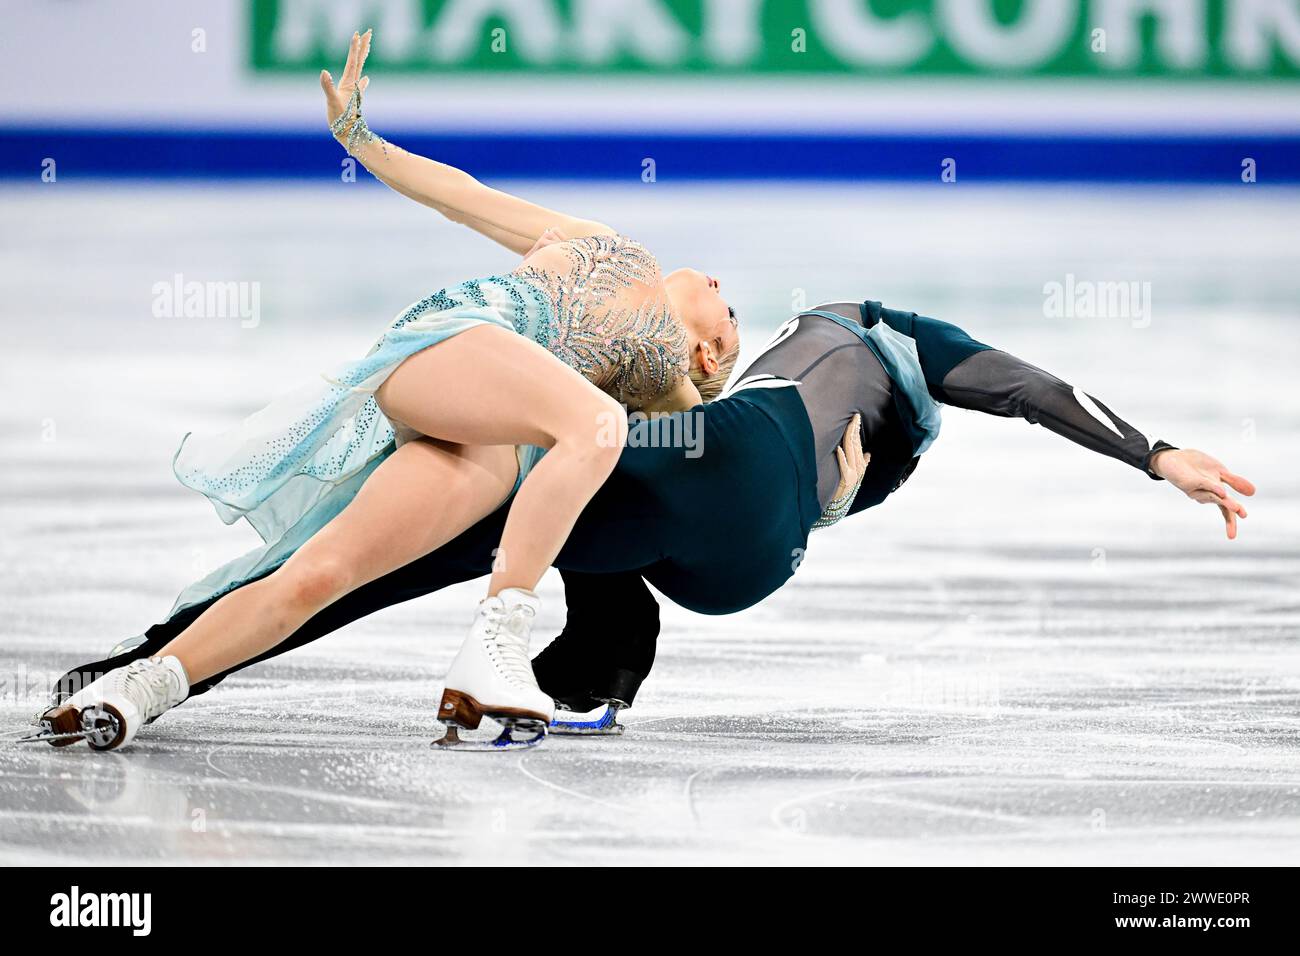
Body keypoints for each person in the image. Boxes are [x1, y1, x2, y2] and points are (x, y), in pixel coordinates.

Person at [42, 295, 1253, 750]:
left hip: (724, 467)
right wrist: (1147, 455)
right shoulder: (865, 387)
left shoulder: (866, 328)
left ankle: (161, 657)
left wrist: (1153, 450)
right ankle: (591, 675)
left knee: (394, 550)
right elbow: (1035, 395)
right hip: (746, 557)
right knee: (582, 526)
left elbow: (1033, 388)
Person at [39, 29, 741, 751]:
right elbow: (465, 199)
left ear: (704, 353)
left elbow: (729, 462)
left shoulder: (666, 381)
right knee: (594, 421)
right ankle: (494, 648)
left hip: (488, 442)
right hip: (452, 346)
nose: (722, 288)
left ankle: (141, 683)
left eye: (730, 320)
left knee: (323, 573)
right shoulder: (607, 242)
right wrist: (361, 140)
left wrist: (830, 492)